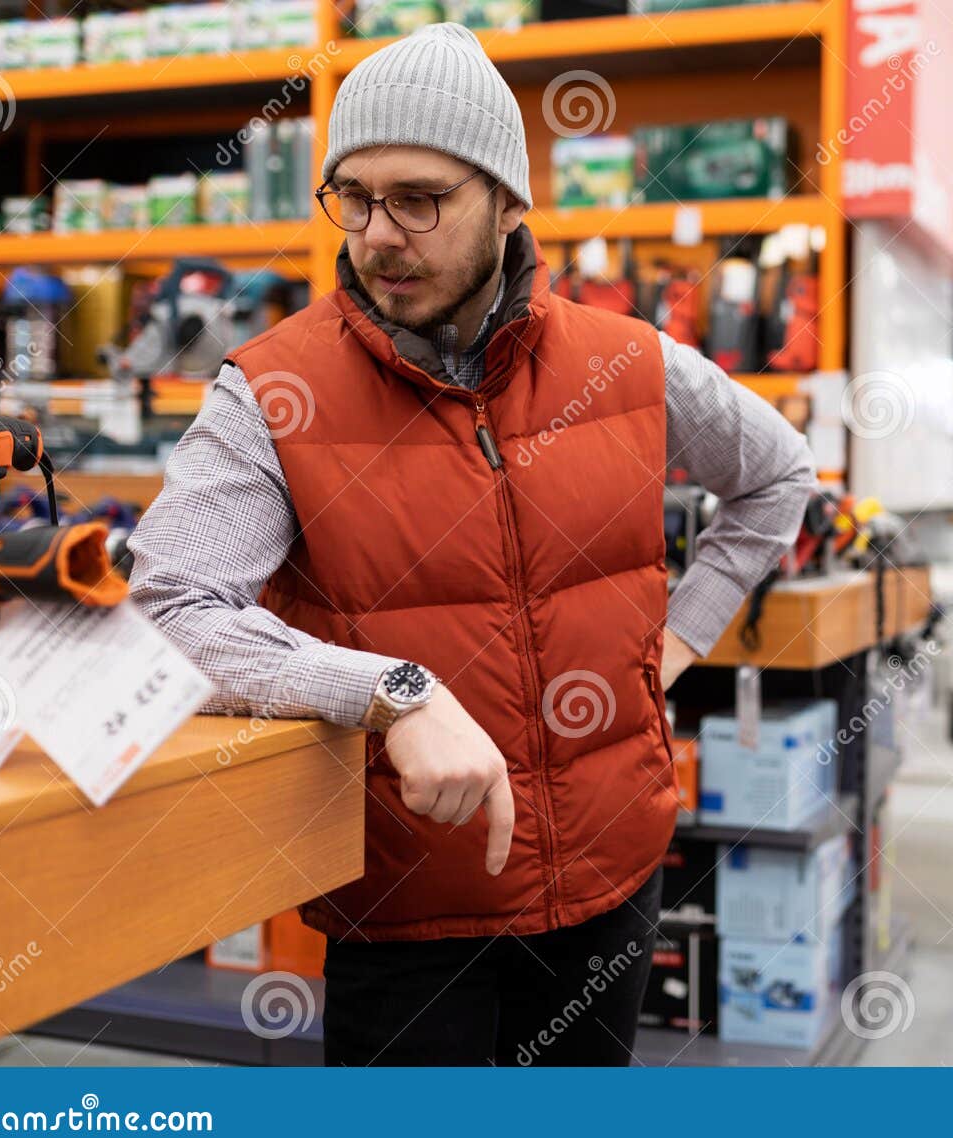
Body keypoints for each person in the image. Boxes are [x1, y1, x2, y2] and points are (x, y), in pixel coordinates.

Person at [127, 24, 815, 1066]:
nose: (378, 235)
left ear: (507, 201)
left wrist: (670, 646)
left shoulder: (627, 363)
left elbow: (778, 475)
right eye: (353, 197)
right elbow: (167, 614)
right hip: (410, 907)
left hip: (609, 881)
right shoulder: (275, 391)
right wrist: (394, 688)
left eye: (419, 197)